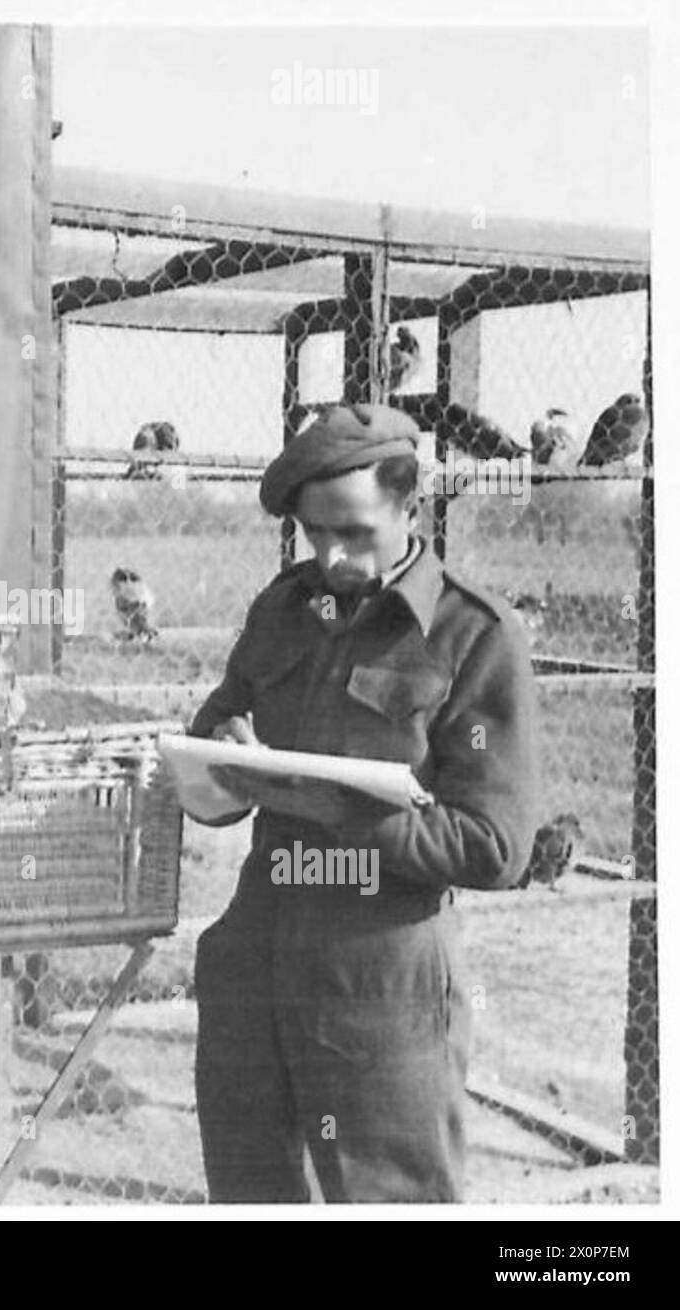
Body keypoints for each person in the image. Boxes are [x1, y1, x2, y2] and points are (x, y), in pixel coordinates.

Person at [190, 402, 538, 1203]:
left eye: (354, 532)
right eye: (315, 535)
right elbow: (219, 732)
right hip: (258, 948)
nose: (333, 556)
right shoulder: (283, 609)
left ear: (410, 506)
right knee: (249, 1192)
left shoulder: (471, 634)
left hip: (380, 976)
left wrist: (326, 802)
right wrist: (216, 757)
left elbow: (495, 845)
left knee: (389, 1201)